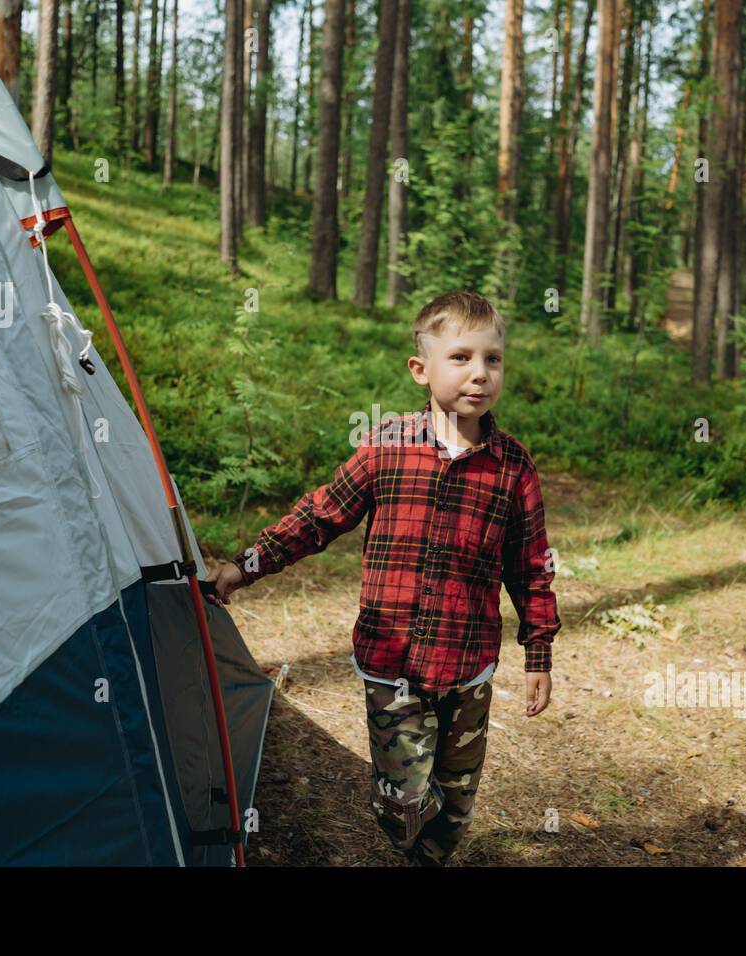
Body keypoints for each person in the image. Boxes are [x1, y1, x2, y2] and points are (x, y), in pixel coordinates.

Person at [207, 290, 561, 865]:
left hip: (469, 665)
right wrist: (246, 567)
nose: (480, 374)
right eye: (461, 357)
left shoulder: (513, 466)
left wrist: (539, 651)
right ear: (421, 370)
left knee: (458, 801)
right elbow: (318, 517)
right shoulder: (385, 446)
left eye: (492, 359)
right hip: (392, 661)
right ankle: (404, 831)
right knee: (406, 799)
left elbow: (531, 566)